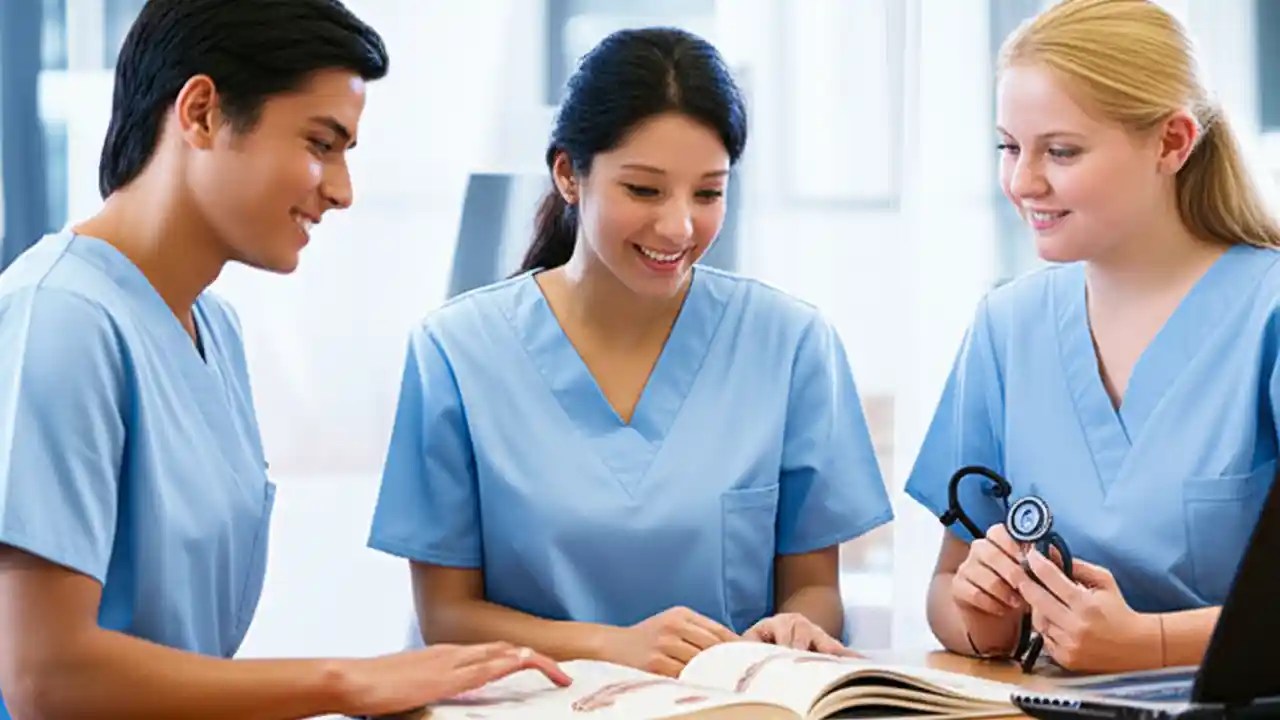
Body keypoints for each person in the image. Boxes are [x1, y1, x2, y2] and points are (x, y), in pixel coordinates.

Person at [0, 2, 568, 718]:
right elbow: (44, 676)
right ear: (202, 113)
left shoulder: (214, 329)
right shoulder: (60, 319)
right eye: (320, 143)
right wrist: (345, 681)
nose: (342, 190)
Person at [368, 26, 893, 678]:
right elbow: (446, 614)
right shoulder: (455, 352)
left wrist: (796, 626)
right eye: (644, 190)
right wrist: (610, 646)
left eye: (708, 192)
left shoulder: (790, 344)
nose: (679, 226)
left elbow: (814, 589)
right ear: (568, 174)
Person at [905, 0, 1280, 674]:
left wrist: (1152, 643)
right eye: (1009, 147)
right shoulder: (1007, 326)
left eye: (1061, 151)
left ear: (1172, 143)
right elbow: (947, 587)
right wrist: (984, 620)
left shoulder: (1266, 314)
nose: (1023, 182)